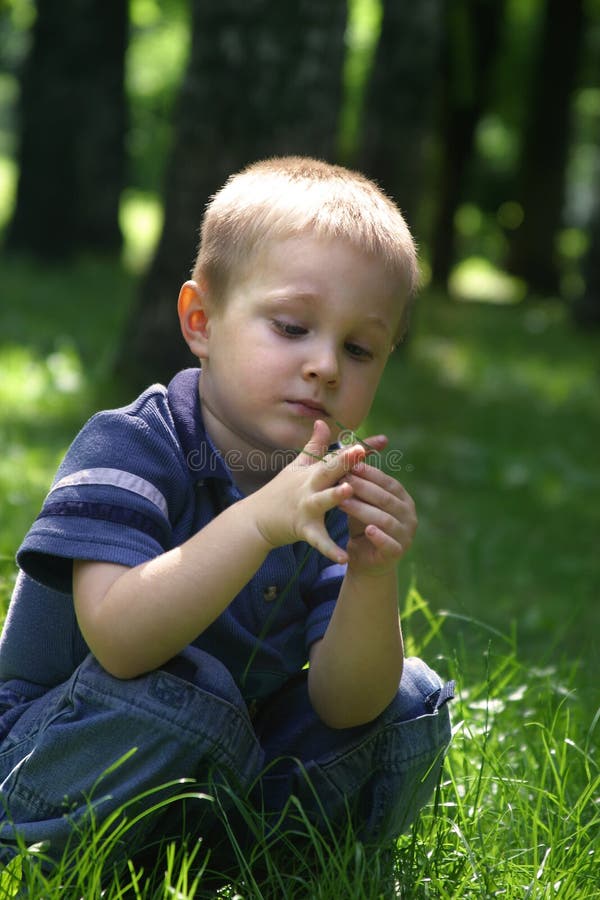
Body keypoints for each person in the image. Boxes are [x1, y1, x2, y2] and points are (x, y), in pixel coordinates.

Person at [0, 156, 453, 876]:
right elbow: (119, 642)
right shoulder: (134, 444)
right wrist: (258, 523)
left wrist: (374, 577)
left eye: (359, 348)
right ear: (201, 322)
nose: (326, 365)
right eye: (293, 326)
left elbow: (345, 705)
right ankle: (38, 843)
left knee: (408, 698)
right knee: (180, 691)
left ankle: (246, 859)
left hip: (220, 761)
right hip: (63, 750)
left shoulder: (328, 483)